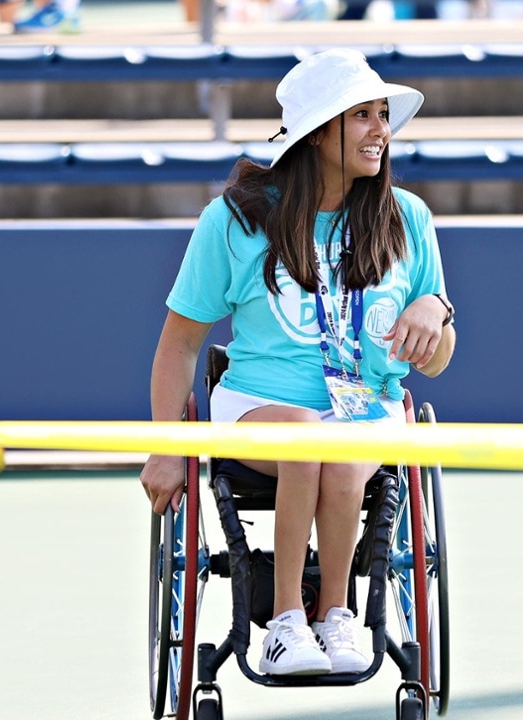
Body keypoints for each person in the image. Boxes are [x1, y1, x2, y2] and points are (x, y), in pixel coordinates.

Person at [139, 48, 456, 677]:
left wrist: (435, 311)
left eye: (382, 115)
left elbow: (438, 363)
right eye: (361, 115)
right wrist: (166, 447)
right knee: (310, 436)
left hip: (367, 410)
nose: (381, 131)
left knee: (336, 446)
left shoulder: (407, 218)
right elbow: (178, 344)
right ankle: (284, 623)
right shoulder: (233, 219)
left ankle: (334, 616)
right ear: (317, 132)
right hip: (257, 406)